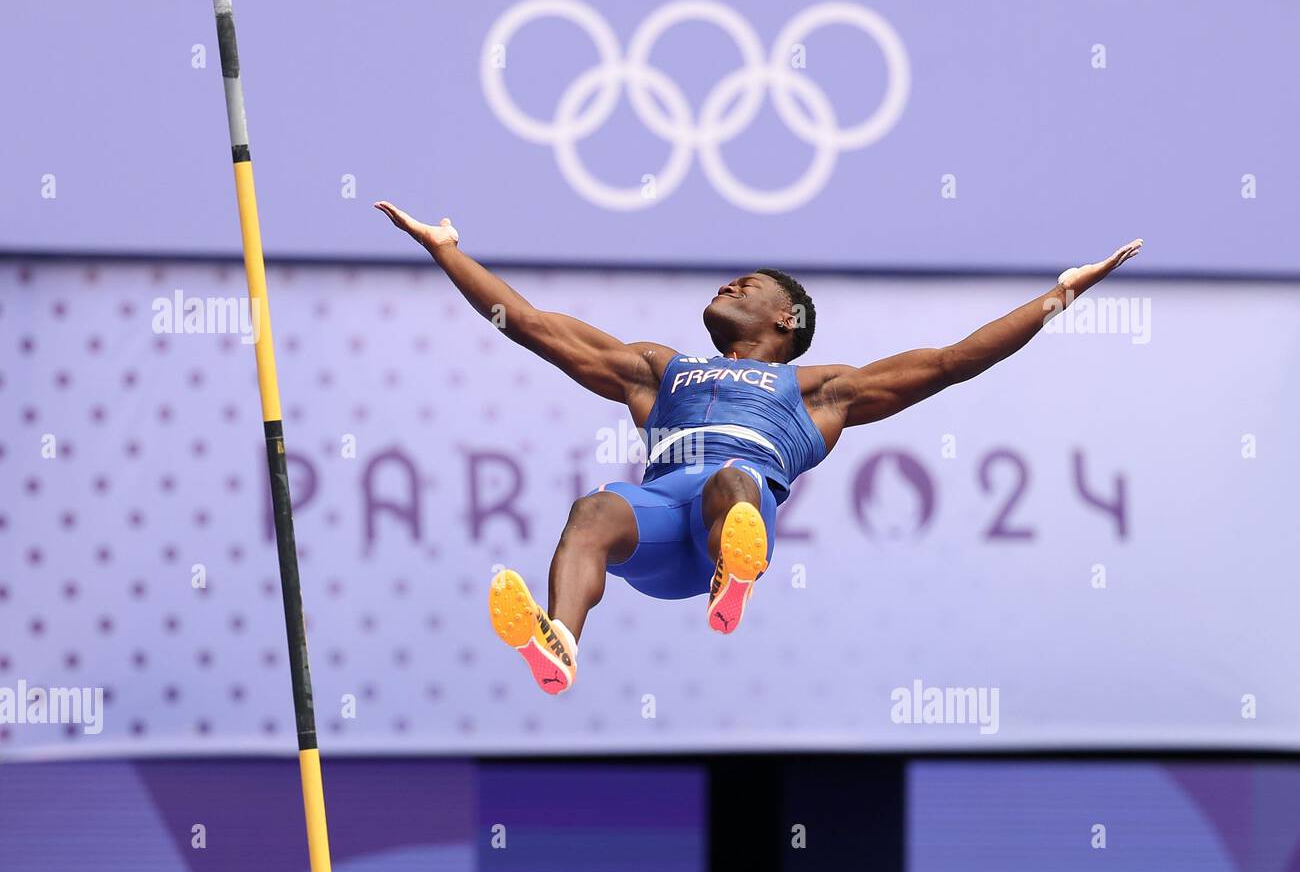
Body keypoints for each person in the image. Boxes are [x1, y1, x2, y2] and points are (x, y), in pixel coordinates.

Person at [376, 201, 1141, 695]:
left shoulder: (821, 391)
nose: (727, 288)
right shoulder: (657, 371)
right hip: (658, 526)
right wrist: (448, 251)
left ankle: (735, 575)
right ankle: (562, 642)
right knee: (592, 508)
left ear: (786, 322)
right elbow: (536, 326)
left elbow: (948, 362)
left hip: (733, 514)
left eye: (746, 286)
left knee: (733, 480)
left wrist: (1059, 294)